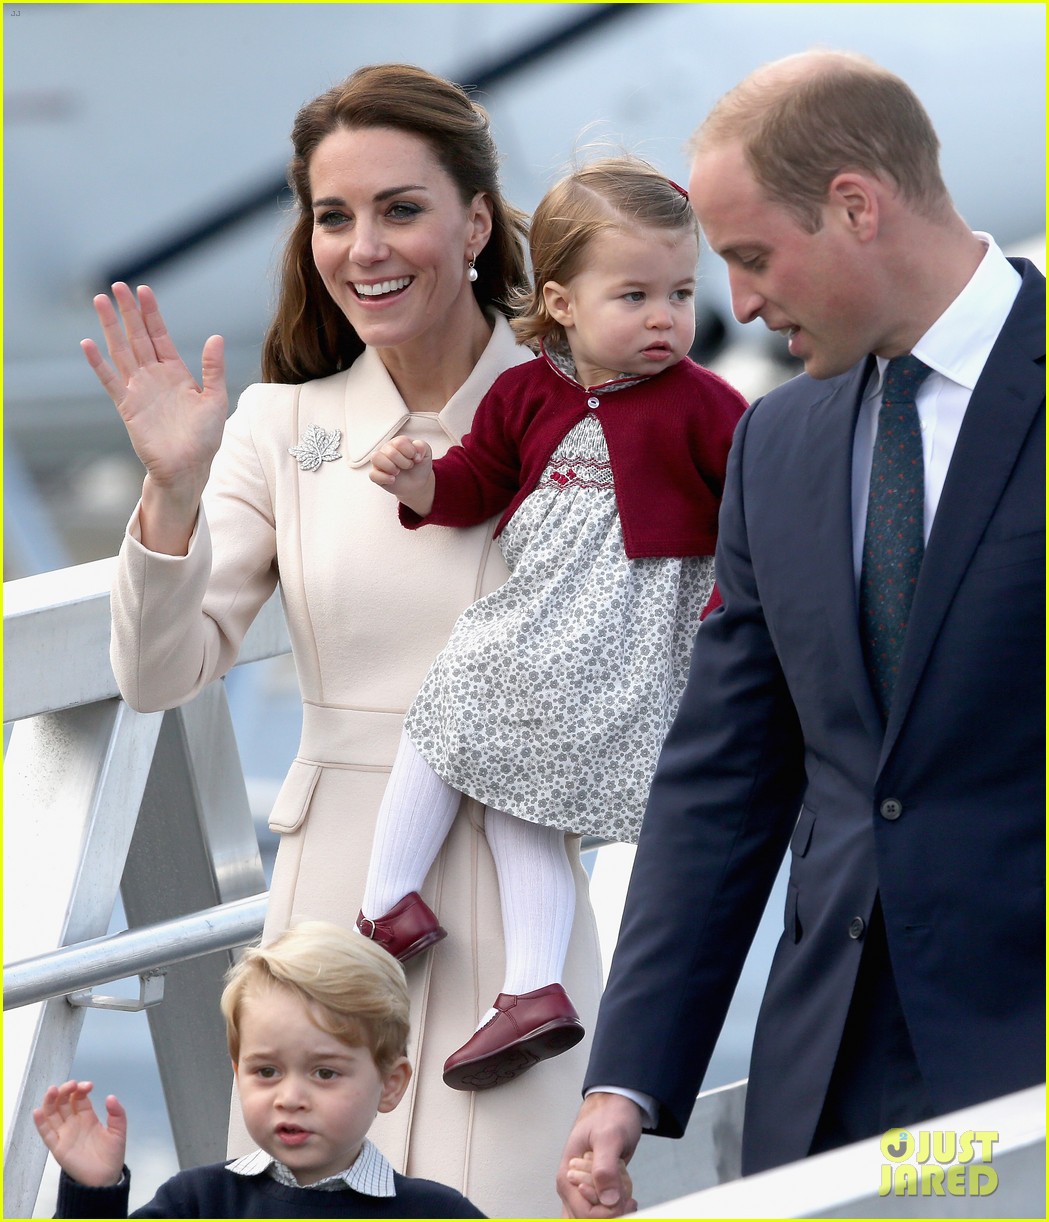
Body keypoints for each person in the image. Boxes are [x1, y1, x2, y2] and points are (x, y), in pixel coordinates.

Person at [91, 63, 603, 1218]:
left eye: (401, 209)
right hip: (333, 901)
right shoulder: (282, 424)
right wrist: (169, 492)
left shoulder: (581, 409)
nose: (363, 246)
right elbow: (159, 670)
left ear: (476, 220)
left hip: (515, 910)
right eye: (334, 216)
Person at [558, 49, 1044, 1214]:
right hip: (828, 1084)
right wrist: (628, 1076)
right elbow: (723, 773)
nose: (737, 304)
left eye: (749, 256)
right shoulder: (772, 449)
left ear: (854, 207)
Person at [360, 156, 746, 1091]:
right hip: (549, 621)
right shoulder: (525, 392)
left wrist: (722, 616)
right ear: (563, 303)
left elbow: (754, 522)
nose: (665, 317)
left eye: (682, 293)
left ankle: (384, 905)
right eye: (635, 295)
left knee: (453, 703)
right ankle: (533, 988)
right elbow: (476, 483)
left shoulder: (708, 405)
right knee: (519, 791)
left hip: (619, 635)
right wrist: (421, 483)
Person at [33, 922, 487, 1217]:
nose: (289, 1097)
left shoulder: (435, 1211)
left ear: (390, 1085)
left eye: (325, 1073)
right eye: (266, 1072)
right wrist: (94, 1192)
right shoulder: (197, 1202)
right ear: (237, 1073)